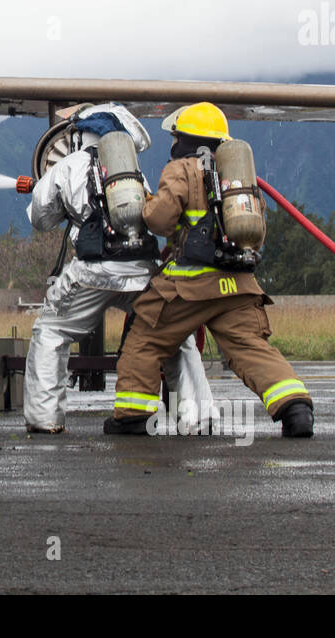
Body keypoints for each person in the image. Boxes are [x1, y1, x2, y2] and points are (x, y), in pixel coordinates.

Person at [106, 102, 314, 437]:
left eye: (176, 137)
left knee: (144, 337)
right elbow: (255, 232)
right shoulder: (237, 175)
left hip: (189, 287)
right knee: (249, 346)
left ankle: (131, 416)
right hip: (239, 285)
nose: (173, 143)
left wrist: (144, 204)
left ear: (185, 139)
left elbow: (160, 220)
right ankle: (296, 408)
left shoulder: (183, 169)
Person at [24, 103, 213, 434]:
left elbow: (40, 218)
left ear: (82, 135)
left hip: (91, 272)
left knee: (51, 331)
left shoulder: (69, 165)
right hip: (142, 268)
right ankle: (197, 417)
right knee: (173, 335)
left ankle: (44, 419)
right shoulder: (131, 171)